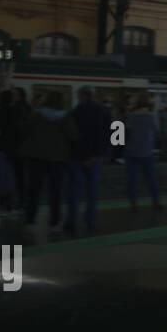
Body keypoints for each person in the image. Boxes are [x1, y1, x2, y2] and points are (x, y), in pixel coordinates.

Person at [21, 91, 77, 233]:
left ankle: (30, 220)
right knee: (55, 192)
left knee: (33, 191)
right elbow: (73, 136)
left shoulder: (36, 114)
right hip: (57, 159)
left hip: (36, 157)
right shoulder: (65, 117)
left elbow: (25, 130)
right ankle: (54, 222)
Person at [67, 87, 110, 235]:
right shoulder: (104, 111)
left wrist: (83, 155)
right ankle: (90, 220)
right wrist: (99, 154)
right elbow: (106, 135)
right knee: (93, 192)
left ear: (83, 95)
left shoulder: (76, 111)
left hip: (77, 157)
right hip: (96, 157)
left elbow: (73, 136)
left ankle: (71, 221)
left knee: (75, 191)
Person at [124, 93, 163, 212]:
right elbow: (157, 131)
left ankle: (133, 204)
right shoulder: (152, 116)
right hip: (147, 151)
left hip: (131, 152)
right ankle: (156, 203)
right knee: (151, 179)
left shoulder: (130, 116)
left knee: (132, 180)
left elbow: (124, 132)